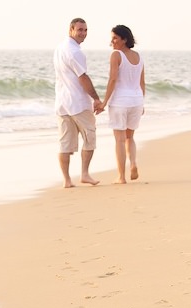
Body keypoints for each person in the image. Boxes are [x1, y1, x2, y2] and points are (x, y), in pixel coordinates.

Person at [53, 18, 105, 188]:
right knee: (90, 136)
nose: (83, 33)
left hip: (62, 102)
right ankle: (84, 174)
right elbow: (82, 77)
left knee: (65, 143)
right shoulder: (75, 52)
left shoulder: (60, 48)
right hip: (77, 103)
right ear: (71, 29)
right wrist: (96, 99)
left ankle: (67, 180)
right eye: (80, 30)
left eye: (85, 30)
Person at [100, 24, 145, 184]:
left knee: (119, 139)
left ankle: (121, 177)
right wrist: (143, 103)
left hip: (120, 101)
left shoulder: (116, 55)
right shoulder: (138, 56)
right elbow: (142, 83)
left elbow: (112, 80)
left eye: (115, 38)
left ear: (124, 39)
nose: (111, 41)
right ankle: (133, 163)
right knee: (130, 137)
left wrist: (104, 102)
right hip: (136, 101)